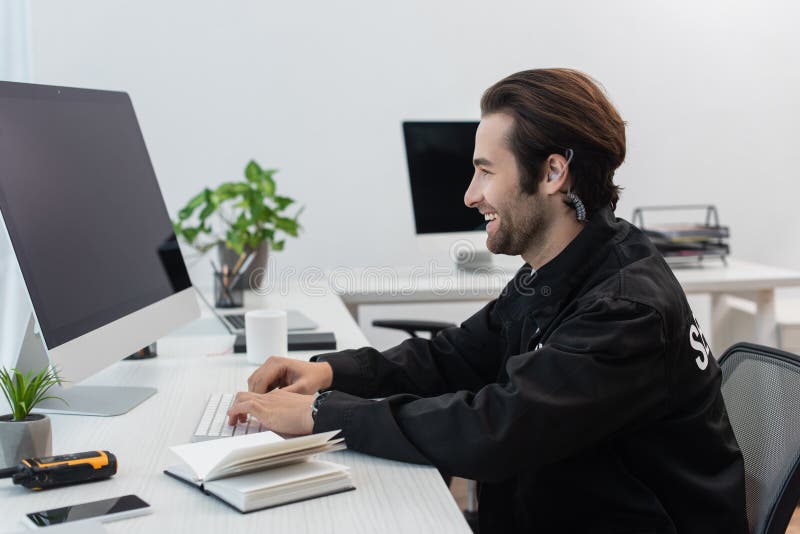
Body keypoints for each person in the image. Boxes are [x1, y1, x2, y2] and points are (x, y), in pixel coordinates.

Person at [227, 68, 749, 533]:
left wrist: (320, 415)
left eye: (486, 171)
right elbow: (453, 356)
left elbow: (495, 429)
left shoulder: (624, 309)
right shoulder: (561, 268)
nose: (470, 194)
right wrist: (331, 374)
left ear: (551, 173)